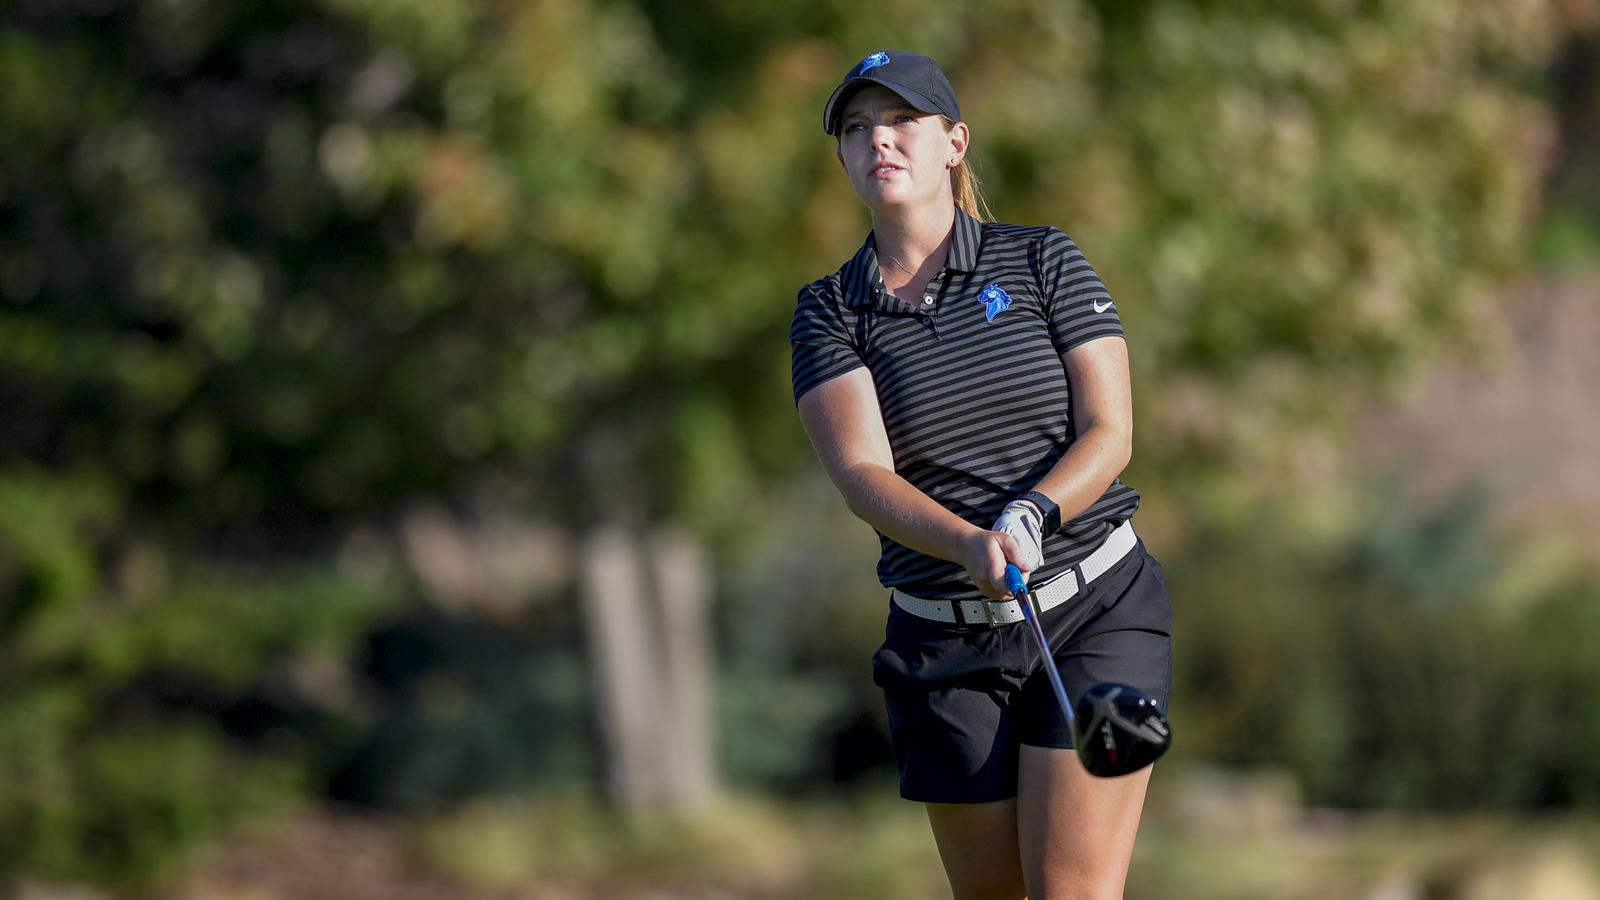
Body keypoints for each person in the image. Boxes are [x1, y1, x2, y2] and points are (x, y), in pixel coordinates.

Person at [790, 50, 1175, 900]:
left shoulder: (1043, 261)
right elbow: (860, 471)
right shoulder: (831, 309)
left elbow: (1111, 431)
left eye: (901, 123)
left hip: (1095, 610)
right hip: (943, 639)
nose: (877, 142)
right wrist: (970, 543)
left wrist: (1033, 512)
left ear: (954, 142)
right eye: (857, 130)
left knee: (1070, 893)